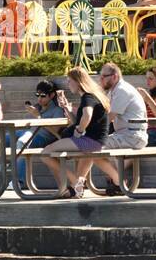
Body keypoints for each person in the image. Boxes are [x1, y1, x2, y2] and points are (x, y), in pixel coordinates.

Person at [39, 67, 110, 198]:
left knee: (45, 153)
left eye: (69, 81)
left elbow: (87, 115)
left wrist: (79, 131)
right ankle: (76, 185)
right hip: (95, 141)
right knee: (51, 153)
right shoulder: (92, 96)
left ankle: (76, 182)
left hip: (90, 141)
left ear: (78, 82)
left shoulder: (88, 97)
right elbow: (77, 121)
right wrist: (66, 108)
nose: (68, 84)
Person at [83, 62, 148, 196]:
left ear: (115, 76)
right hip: (125, 135)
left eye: (103, 77)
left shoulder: (122, 90)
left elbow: (108, 118)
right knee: (86, 145)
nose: (100, 80)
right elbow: (100, 113)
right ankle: (117, 181)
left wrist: (86, 128)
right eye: (100, 77)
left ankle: (117, 181)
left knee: (89, 146)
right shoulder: (114, 90)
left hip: (132, 136)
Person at [14, 79, 66, 186]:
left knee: (22, 143)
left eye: (43, 96)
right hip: (27, 133)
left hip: (42, 138)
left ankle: (20, 181)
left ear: (51, 95)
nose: (39, 98)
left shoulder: (57, 110)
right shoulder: (37, 107)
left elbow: (55, 131)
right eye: (37, 95)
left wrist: (39, 116)